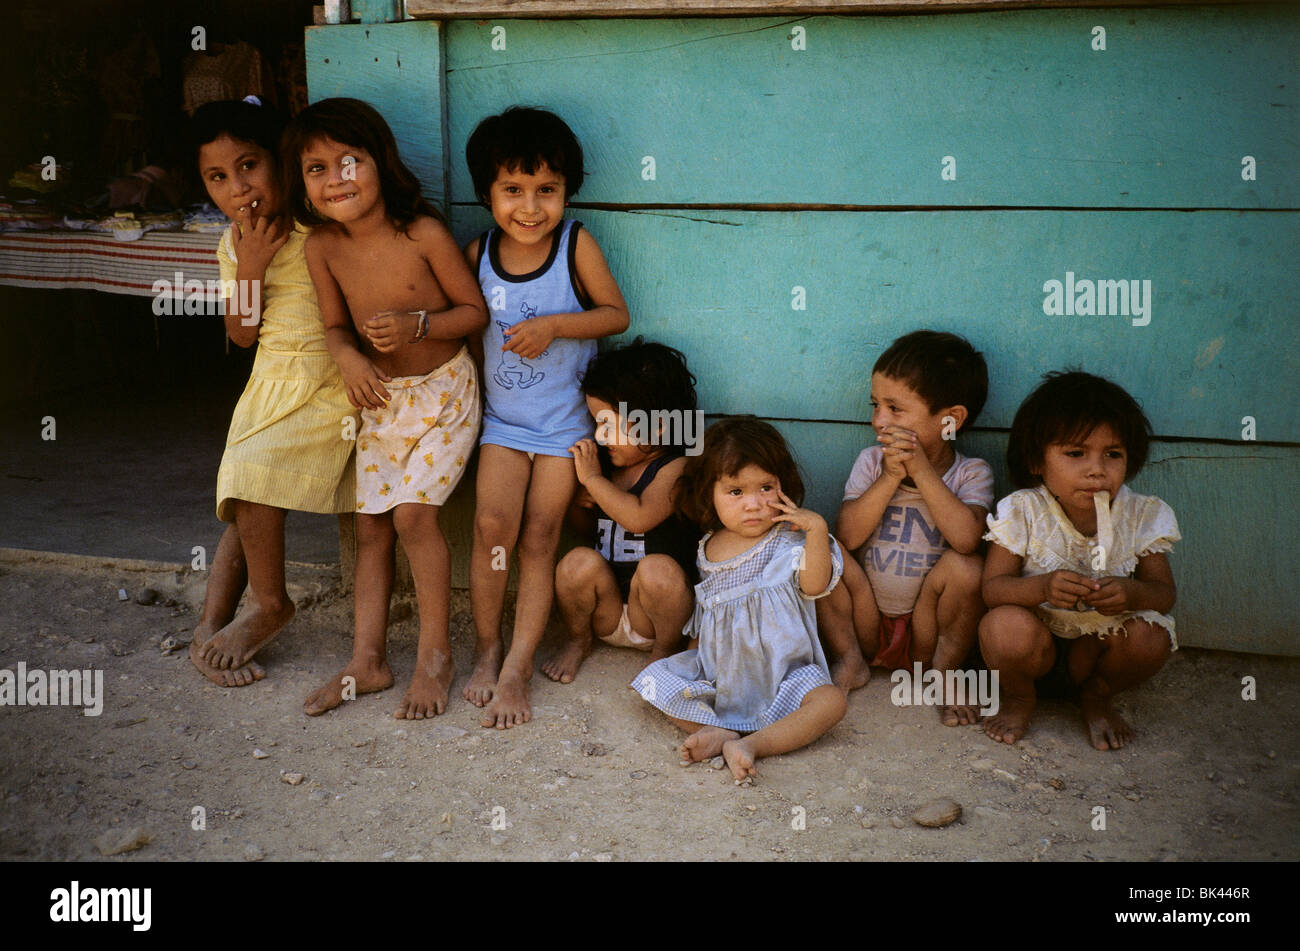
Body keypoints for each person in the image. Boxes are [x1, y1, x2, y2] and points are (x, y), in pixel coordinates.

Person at [283, 98, 488, 719]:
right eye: (316, 169)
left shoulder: (420, 233)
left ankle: (435, 657)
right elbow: (334, 327)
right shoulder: (320, 247)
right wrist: (347, 358)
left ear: (380, 162)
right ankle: (366, 660)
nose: (335, 178)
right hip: (378, 400)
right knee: (369, 526)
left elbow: (474, 312)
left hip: (443, 394)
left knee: (412, 520)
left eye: (350, 161)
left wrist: (418, 324)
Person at [461, 107, 630, 728]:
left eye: (546, 190)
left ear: (566, 192)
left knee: (538, 536)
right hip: (503, 426)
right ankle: (487, 648)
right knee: (490, 529)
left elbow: (615, 314)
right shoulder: (477, 252)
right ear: (487, 193)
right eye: (513, 190)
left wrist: (557, 324)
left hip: (563, 429)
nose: (530, 207)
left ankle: (517, 667)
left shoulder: (574, 244)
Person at [188, 97, 357, 687]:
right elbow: (241, 332)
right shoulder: (235, 245)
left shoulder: (321, 224)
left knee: (253, 477)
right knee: (243, 490)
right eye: (217, 178)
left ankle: (270, 605)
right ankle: (209, 625)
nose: (238, 188)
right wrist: (253, 263)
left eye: (249, 166)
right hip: (272, 381)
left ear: (280, 162)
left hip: (328, 382)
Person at [633, 417, 847, 782]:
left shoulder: (789, 540)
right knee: (656, 685)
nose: (753, 504)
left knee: (831, 702)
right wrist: (696, 661)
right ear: (708, 495)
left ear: (784, 485)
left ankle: (752, 744)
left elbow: (814, 586)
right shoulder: (708, 550)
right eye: (735, 492)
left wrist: (817, 530)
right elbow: (706, 617)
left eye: (766, 487)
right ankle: (728, 733)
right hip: (726, 679)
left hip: (786, 677)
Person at [980, 370, 1180, 750]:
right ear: (1037, 461)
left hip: (1098, 652)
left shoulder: (1141, 515)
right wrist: (1042, 587)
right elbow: (992, 590)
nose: (1096, 470)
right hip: (1034, 647)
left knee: (1151, 636)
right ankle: (1021, 697)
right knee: (1001, 624)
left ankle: (1097, 696)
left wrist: (1132, 594)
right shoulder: (1022, 510)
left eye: (1113, 455)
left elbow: (1164, 595)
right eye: (1076, 453)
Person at [818, 331, 992, 726]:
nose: (879, 420)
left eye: (895, 408)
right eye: (876, 405)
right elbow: (848, 536)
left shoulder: (971, 473)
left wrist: (921, 471)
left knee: (968, 568)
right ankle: (850, 658)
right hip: (867, 618)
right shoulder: (871, 461)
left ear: (950, 420)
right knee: (822, 549)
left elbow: (967, 539)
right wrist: (889, 479)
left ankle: (943, 672)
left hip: (927, 629)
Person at [545, 339, 700, 683]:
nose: (599, 437)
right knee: (575, 562)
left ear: (657, 426)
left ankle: (665, 652)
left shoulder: (676, 469)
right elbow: (592, 534)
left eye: (608, 424)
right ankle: (578, 639)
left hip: (655, 614)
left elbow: (639, 517)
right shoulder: (607, 469)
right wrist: (577, 503)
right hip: (609, 611)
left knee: (657, 569)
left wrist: (593, 482)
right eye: (595, 423)